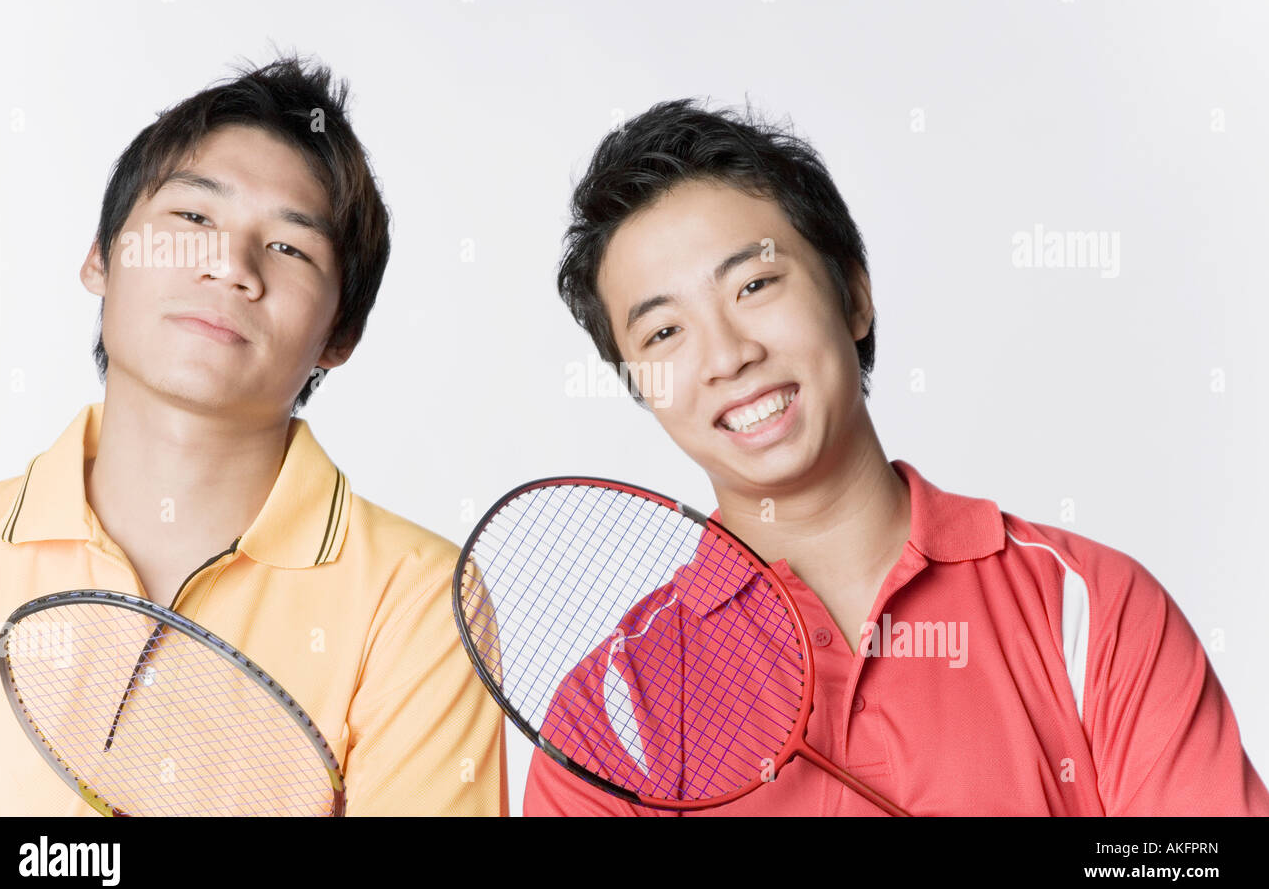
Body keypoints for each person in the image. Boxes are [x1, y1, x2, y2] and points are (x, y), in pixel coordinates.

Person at [525, 98, 1268, 815]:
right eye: (664, 334)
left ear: (853, 295)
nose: (728, 354)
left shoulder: (1090, 608)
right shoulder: (608, 719)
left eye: (754, 285)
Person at [0, 55, 506, 816]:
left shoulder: (419, 600)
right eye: (193, 218)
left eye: (290, 248)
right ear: (101, 256)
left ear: (340, 335)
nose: (230, 264)